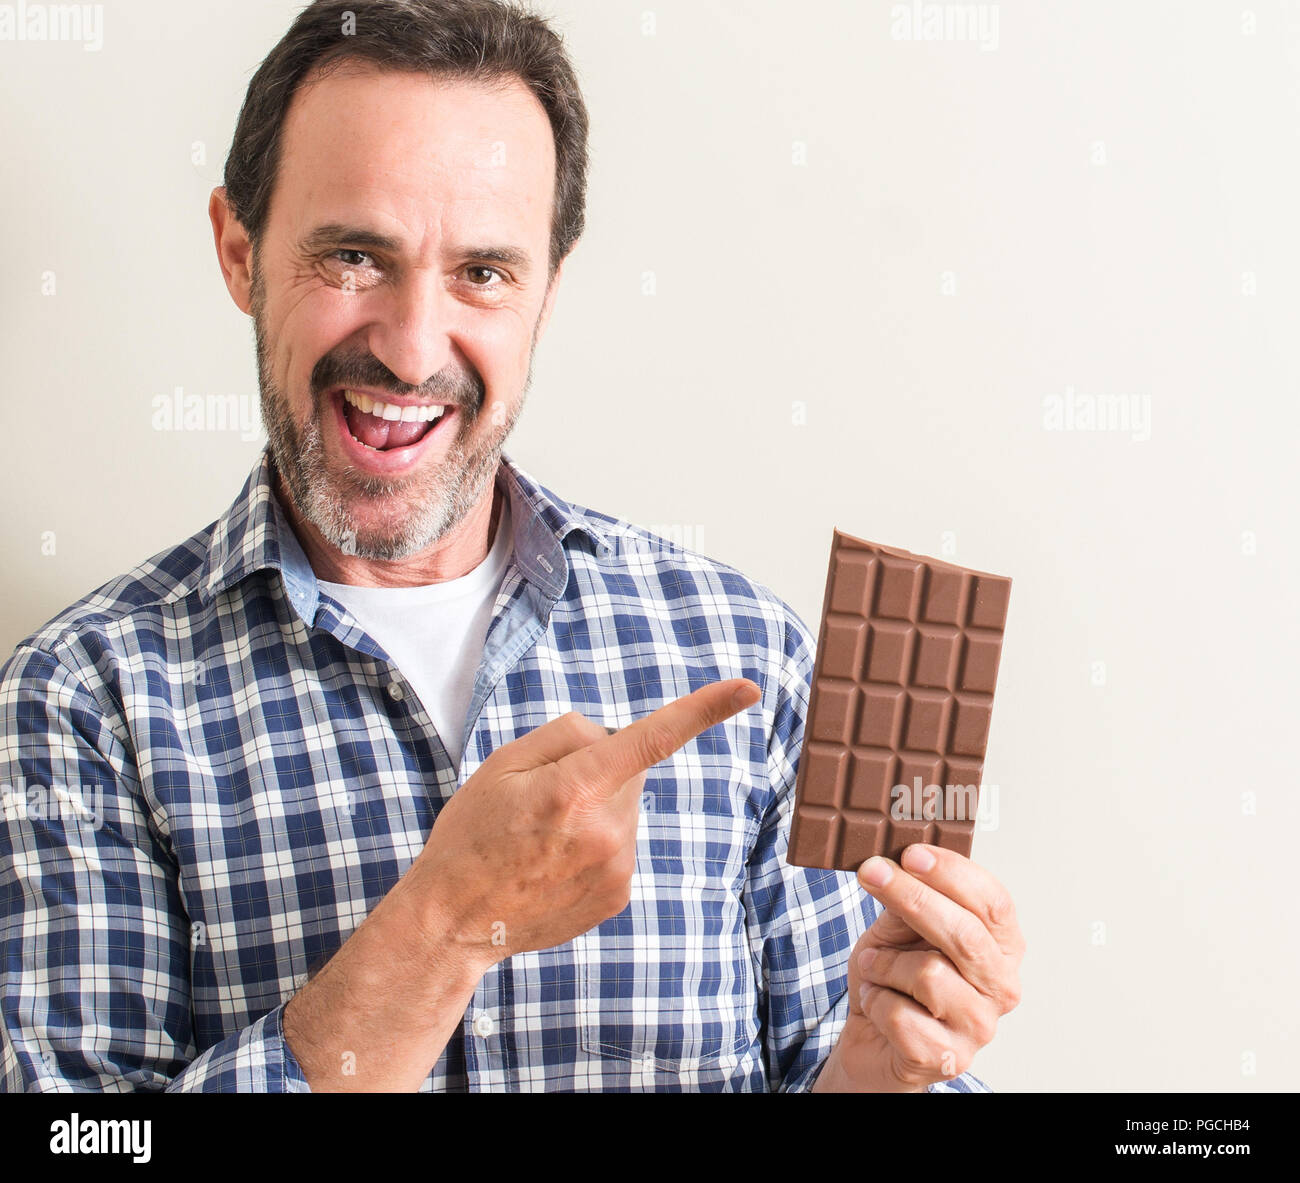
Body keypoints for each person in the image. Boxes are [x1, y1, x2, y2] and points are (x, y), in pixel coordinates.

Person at [0, 0, 1022, 1092]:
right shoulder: (86, 700)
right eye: (353, 256)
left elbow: (845, 1064)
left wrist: (880, 1066)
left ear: (547, 291)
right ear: (239, 252)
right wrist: (443, 926)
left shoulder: (745, 656)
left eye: (482, 272)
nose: (411, 349)